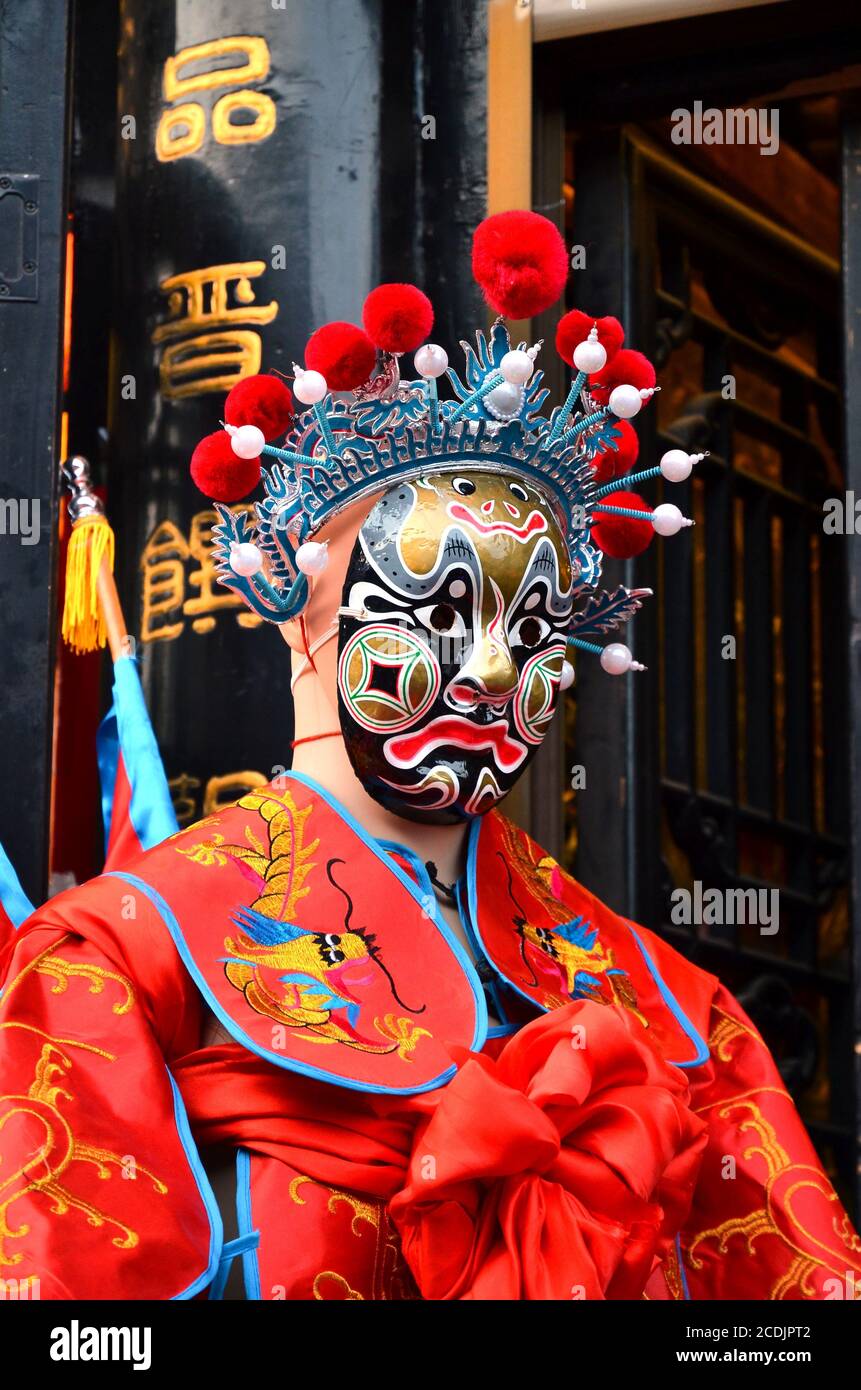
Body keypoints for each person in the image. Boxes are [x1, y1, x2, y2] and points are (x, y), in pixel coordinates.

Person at [1, 212, 858, 1301]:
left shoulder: (673, 1006)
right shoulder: (122, 955)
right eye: (443, 608)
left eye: (537, 625)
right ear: (289, 600)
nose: (497, 668)